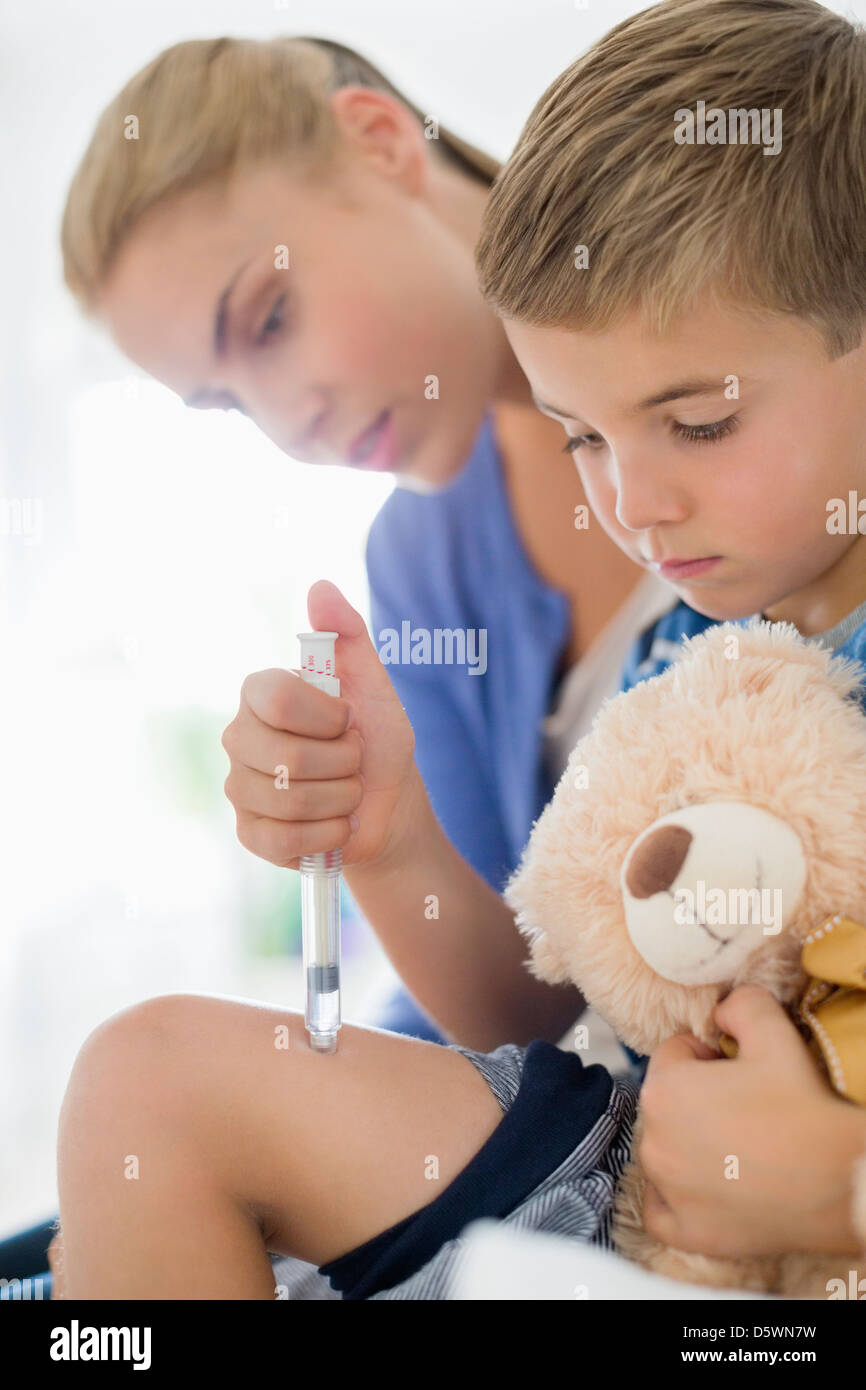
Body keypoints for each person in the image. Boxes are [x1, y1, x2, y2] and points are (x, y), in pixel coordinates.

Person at [46, 0, 866, 1300]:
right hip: (614, 1139)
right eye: (579, 434)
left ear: (376, 139)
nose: (283, 423)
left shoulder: (729, 212)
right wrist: (385, 834)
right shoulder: (424, 565)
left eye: (265, 322)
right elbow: (554, 1002)